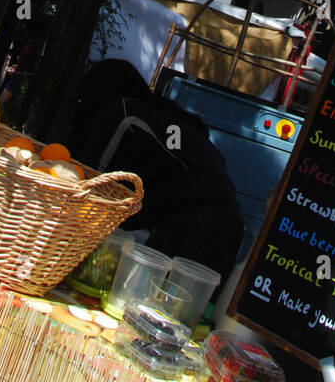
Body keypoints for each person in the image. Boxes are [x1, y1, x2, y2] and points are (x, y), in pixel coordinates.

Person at [72, 60, 245, 284]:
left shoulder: (124, 113)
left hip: (196, 229)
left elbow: (89, 183)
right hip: (225, 231)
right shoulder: (167, 118)